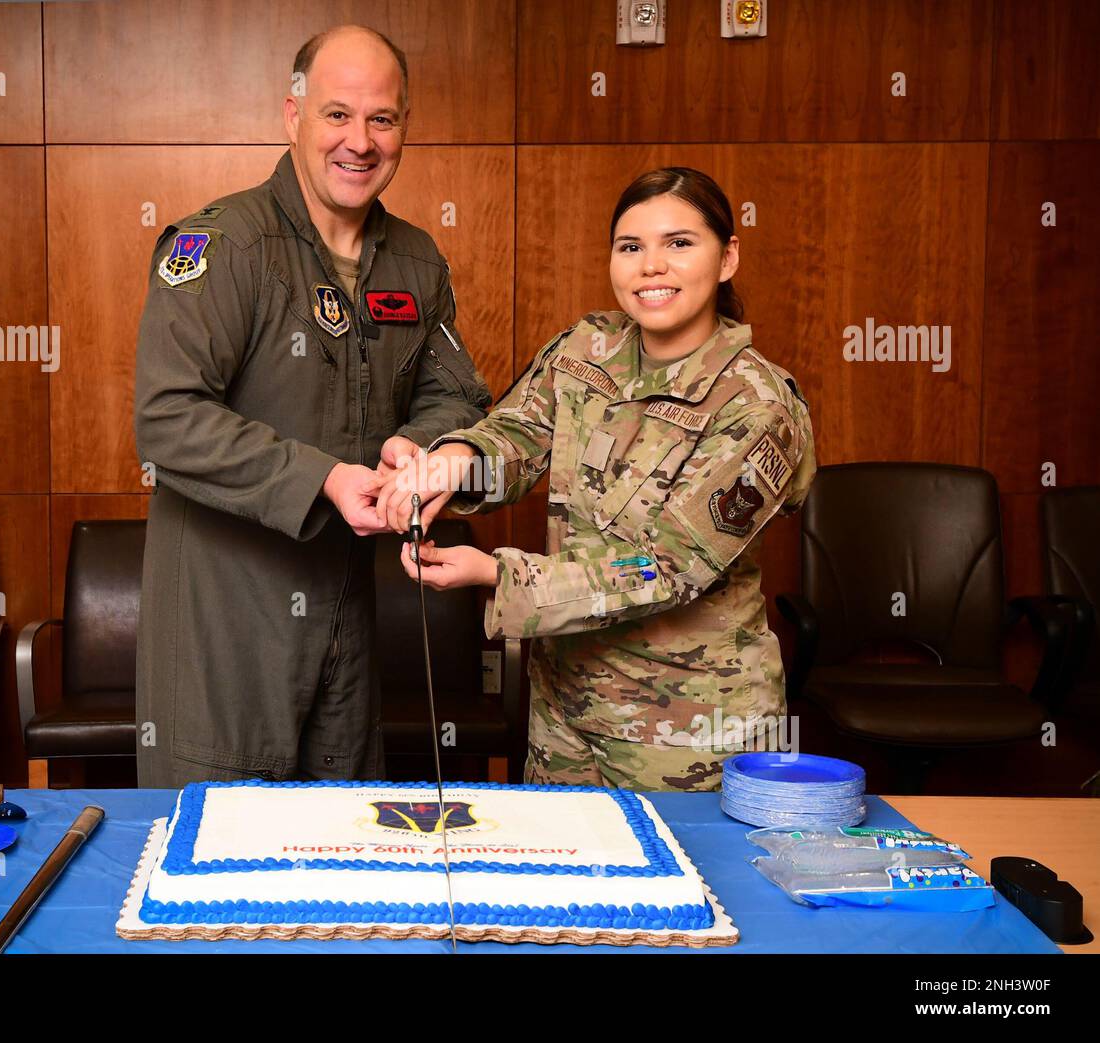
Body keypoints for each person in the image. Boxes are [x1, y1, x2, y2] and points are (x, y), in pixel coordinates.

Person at [373, 167, 816, 791]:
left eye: (679, 243)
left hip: (687, 732)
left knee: (690, 889)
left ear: (727, 257)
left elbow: (664, 570)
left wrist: (497, 574)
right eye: (631, 247)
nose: (651, 266)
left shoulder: (758, 406)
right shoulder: (588, 347)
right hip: (565, 713)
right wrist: (454, 461)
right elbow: (518, 436)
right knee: (562, 886)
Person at [133, 25, 491, 787]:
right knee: (218, 869)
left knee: (346, 853)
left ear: (404, 129)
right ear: (292, 116)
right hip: (222, 624)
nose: (359, 141)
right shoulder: (221, 247)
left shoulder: (417, 261)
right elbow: (166, 418)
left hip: (348, 617)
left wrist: (417, 449)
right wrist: (322, 478)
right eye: (337, 114)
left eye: (382, 119)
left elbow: (455, 392)